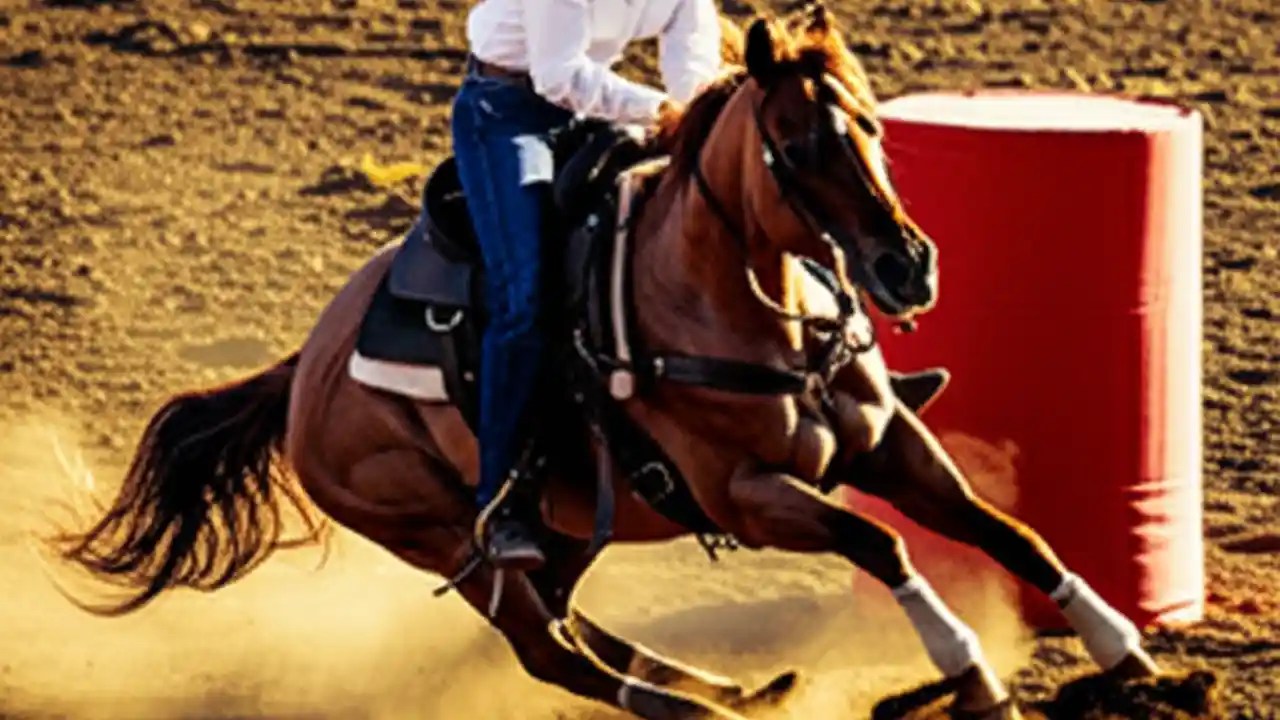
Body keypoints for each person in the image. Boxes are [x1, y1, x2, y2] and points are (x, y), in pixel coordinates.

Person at [451, 0, 724, 570]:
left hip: (594, 109)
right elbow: (557, 75)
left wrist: (698, 120)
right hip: (507, 113)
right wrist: (663, 111)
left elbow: (692, 63)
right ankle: (502, 501)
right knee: (524, 299)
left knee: (721, 206)